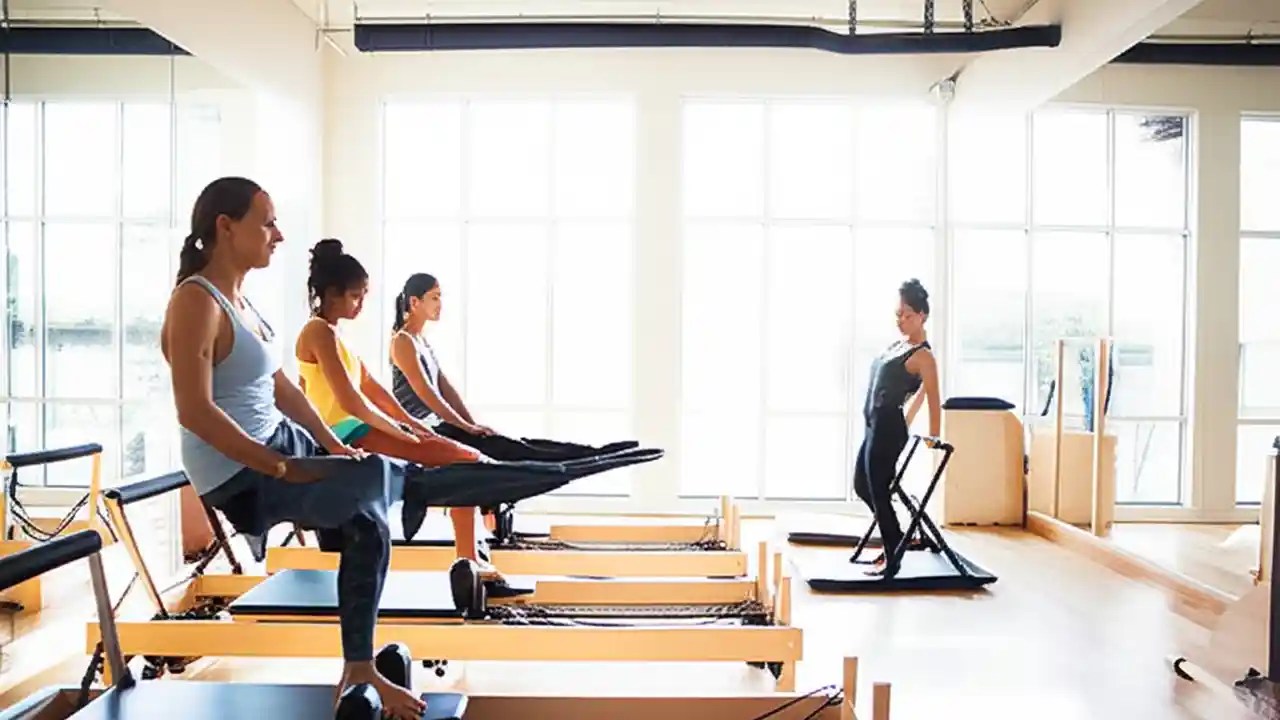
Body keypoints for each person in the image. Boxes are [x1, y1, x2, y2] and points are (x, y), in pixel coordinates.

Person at [161, 177, 424, 719]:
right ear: (225, 227)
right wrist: (284, 466)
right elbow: (195, 411)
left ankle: (361, 659)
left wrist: (330, 445)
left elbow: (281, 386)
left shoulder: (241, 301)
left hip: (278, 442)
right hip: (240, 471)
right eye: (267, 222)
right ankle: (359, 668)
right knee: (366, 516)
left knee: (379, 475)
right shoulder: (195, 302)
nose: (278, 234)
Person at [295, 240, 661, 581]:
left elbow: (378, 394)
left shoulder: (338, 337)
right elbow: (350, 402)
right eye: (356, 296)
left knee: (470, 461)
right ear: (331, 293)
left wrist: (420, 429)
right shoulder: (318, 333)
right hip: (348, 435)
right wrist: (401, 430)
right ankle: (472, 558)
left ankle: (473, 559)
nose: (360, 305)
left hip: (363, 428)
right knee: (469, 462)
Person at [389, 272, 637, 464]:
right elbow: (425, 392)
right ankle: (588, 456)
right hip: (423, 428)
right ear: (414, 301)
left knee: (513, 443)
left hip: (440, 425)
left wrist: (473, 424)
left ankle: (593, 453)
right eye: (434, 297)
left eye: (440, 296)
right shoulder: (402, 341)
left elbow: (446, 388)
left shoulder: (423, 342)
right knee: (512, 450)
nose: (440, 303)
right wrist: (465, 428)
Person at [853, 278, 941, 579]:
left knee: (877, 488)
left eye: (908, 315)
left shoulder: (924, 356)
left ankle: (893, 556)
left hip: (888, 430)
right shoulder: (896, 346)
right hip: (873, 425)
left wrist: (933, 434)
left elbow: (930, 395)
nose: (901, 321)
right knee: (862, 486)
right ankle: (896, 538)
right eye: (898, 315)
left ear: (923, 315)